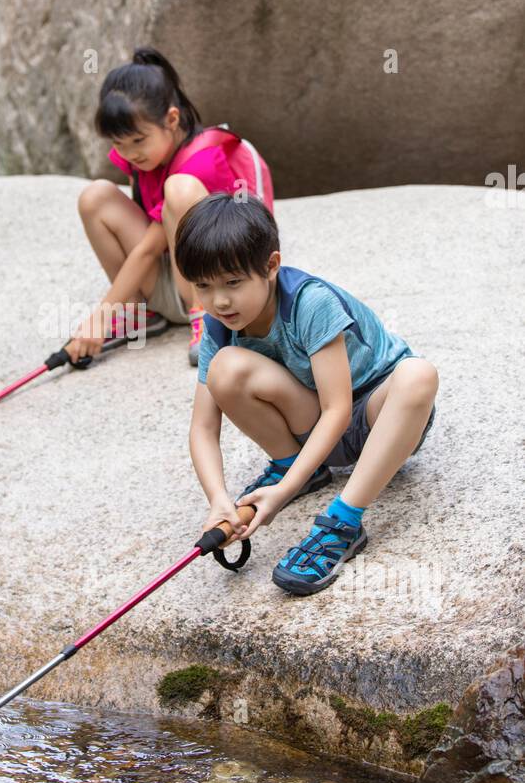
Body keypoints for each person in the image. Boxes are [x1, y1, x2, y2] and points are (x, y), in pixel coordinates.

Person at [177, 192, 438, 595]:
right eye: (203, 286)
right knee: (225, 369)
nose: (220, 300)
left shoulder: (308, 302)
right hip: (313, 425)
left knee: (418, 375)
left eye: (232, 282)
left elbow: (338, 409)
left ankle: (343, 523)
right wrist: (219, 500)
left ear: (271, 266)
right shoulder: (218, 325)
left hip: (378, 419)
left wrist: (281, 495)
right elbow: (202, 428)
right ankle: (299, 469)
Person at [64, 46, 273, 365]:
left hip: (212, 285)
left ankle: (209, 318)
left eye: (138, 141)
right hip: (169, 277)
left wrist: (101, 315)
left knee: (179, 188)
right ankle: (139, 313)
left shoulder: (200, 164)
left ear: (172, 119)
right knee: (95, 197)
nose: (129, 153)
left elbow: (149, 248)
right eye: (119, 143)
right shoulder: (142, 158)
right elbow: (145, 228)